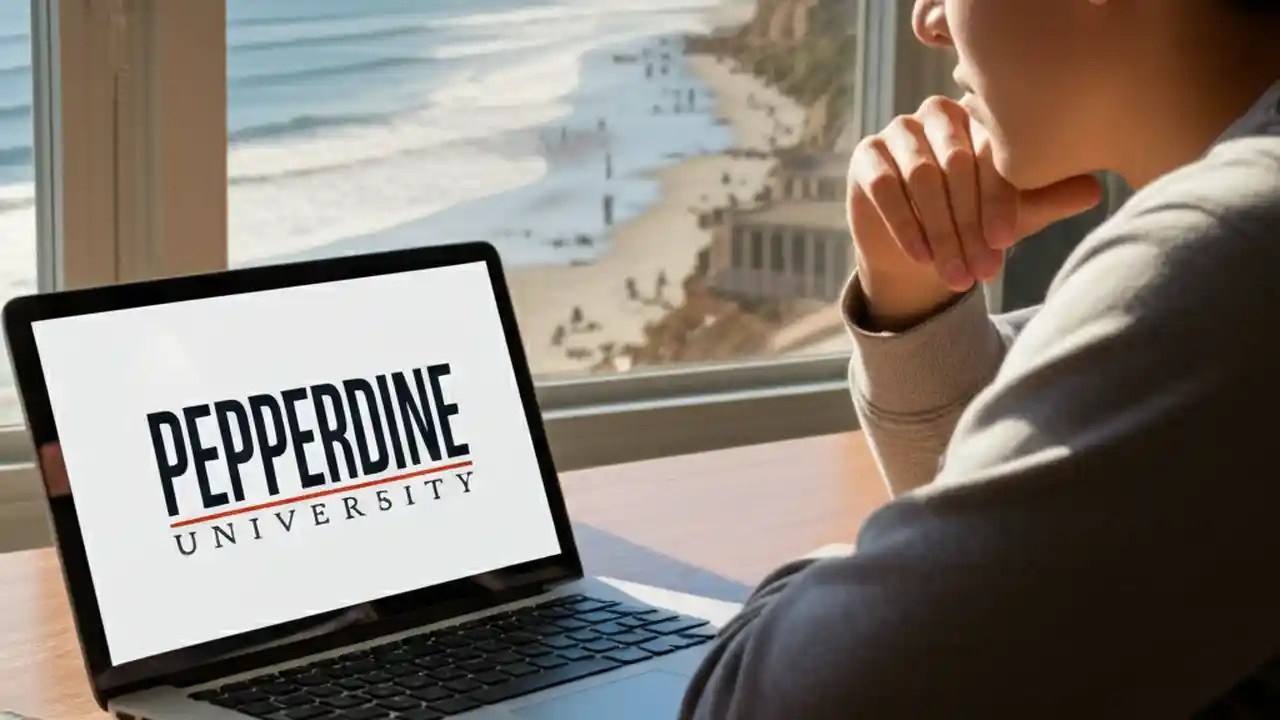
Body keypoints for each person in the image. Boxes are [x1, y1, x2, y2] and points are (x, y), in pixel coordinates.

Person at [680, 0, 1280, 717]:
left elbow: (779, 702)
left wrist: (860, 577)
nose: (925, 19)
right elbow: (1039, 545)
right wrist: (911, 298)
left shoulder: (1239, 250)